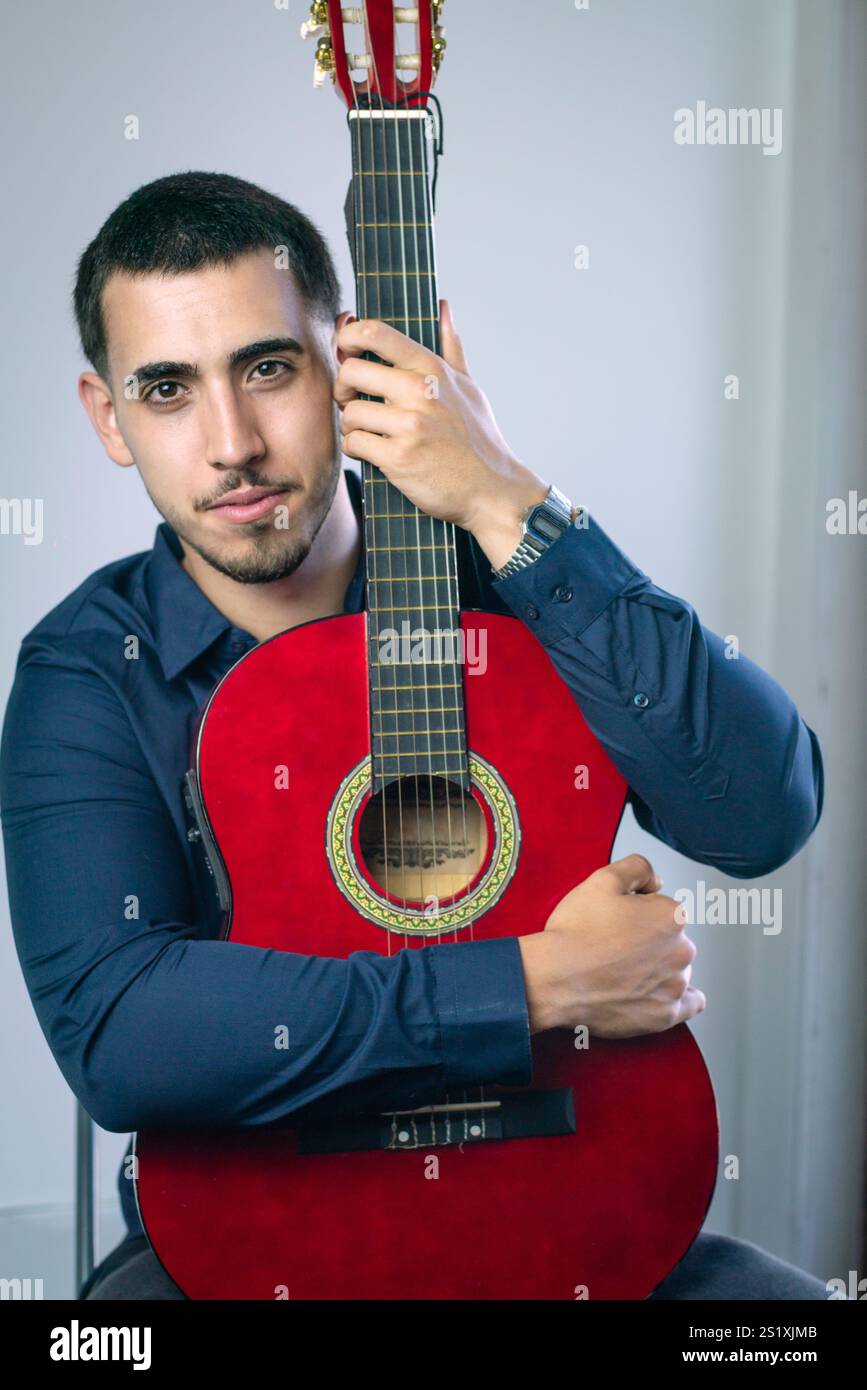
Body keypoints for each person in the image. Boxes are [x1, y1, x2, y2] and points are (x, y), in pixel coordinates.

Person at [0, 172, 828, 1301]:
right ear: (110, 416)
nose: (232, 442)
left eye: (268, 368)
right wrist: (536, 982)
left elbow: (762, 812)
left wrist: (504, 502)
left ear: (349, 365)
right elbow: (123, 1034)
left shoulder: (519, 582)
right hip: (250, 1234)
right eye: (167, 389)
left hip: (582, 1197)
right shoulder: (92, 668)